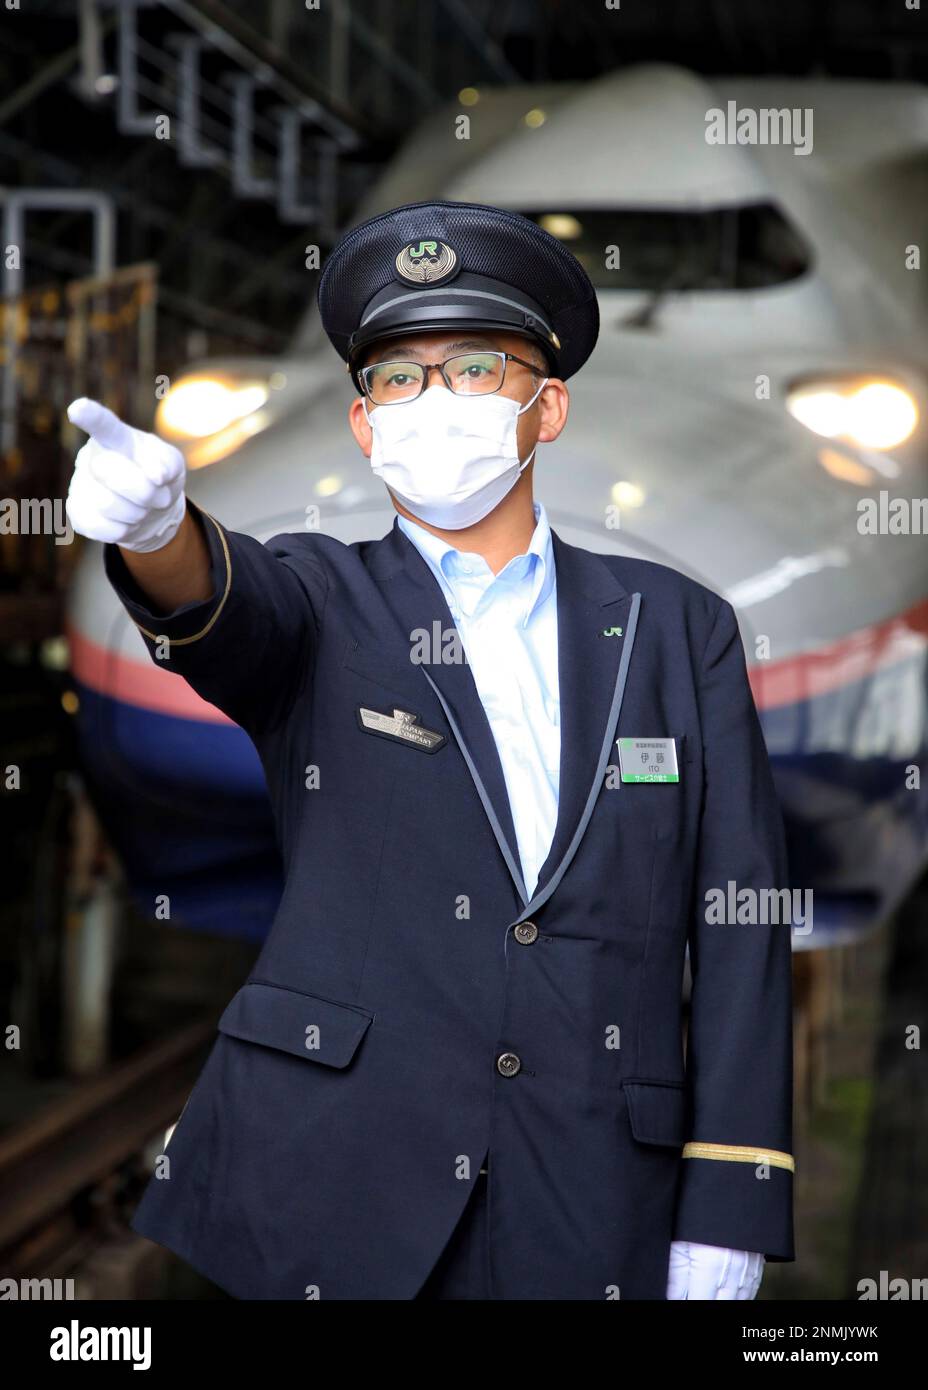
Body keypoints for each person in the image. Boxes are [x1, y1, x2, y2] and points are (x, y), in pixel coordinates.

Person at [65, 199, 795, 1300]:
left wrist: (732, 1195)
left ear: (547, 406)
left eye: (474, 368)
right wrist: (160, 533)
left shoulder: (676, 628)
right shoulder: (322, 598)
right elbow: (229, 605)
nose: (433, 401)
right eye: (399, 379)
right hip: (337, 1186)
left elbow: (740, 919)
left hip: (594, 1191)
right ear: (365, 427)